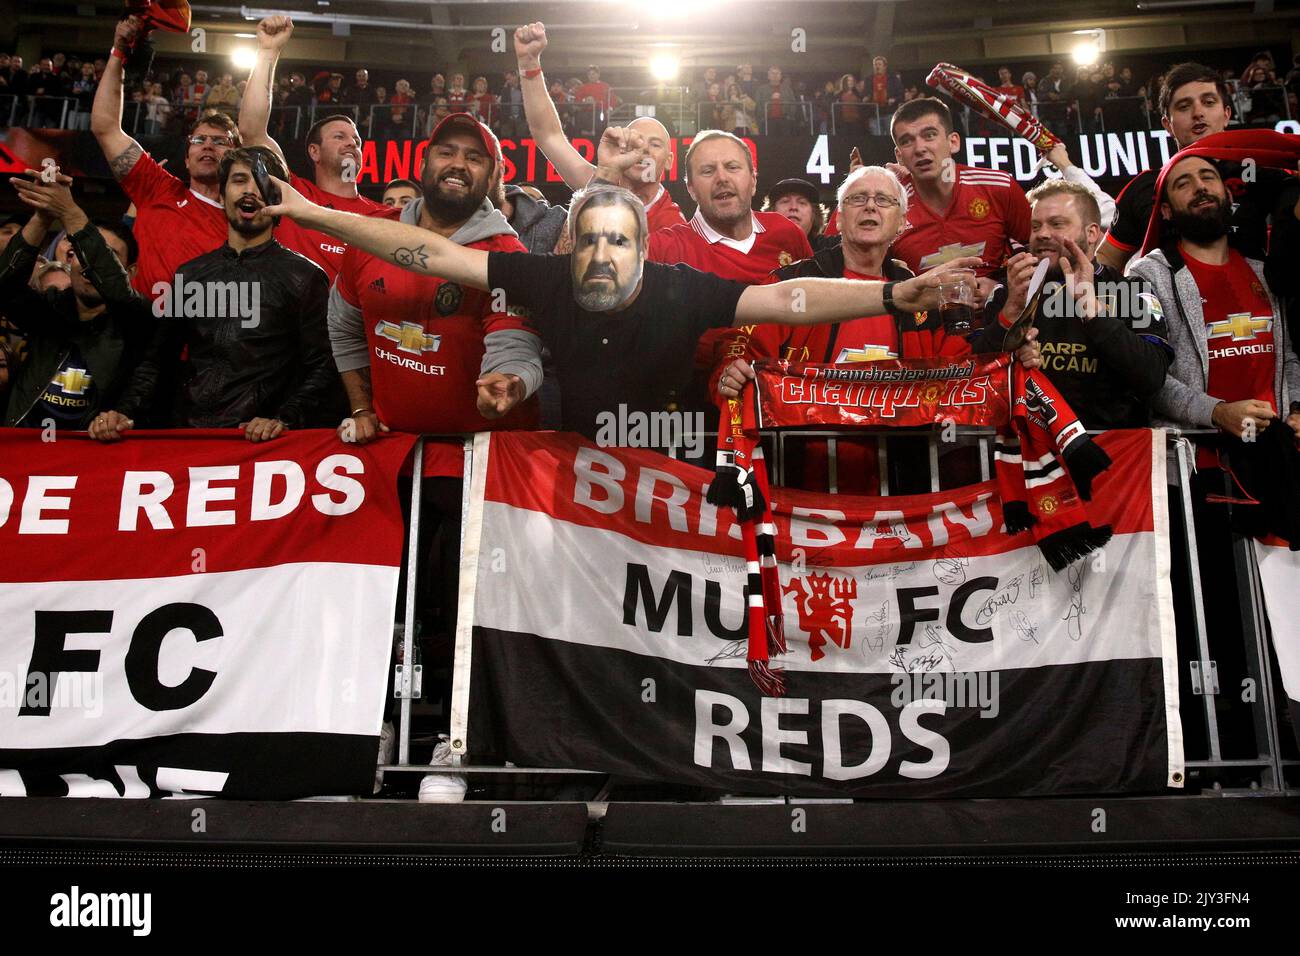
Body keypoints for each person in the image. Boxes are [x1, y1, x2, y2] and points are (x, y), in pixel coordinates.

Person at [259, 125, 984, 445]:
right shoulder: (545, 278)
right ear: (571, 246)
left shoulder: (681, 285)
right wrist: (309, 211)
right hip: (578, 471)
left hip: (672, 470)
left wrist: (894, 297)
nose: (603, 253)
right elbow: (423, 251)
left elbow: (791, 296)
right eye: (592, 238)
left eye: (621, 239)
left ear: (644, 249)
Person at [92, 147, 339, 441]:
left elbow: (324, 365)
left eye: (262, 183)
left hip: (259, 449)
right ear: (221, 196)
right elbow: (159, 359)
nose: (250, 191)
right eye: (238, 180)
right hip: (188, 440)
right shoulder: (191, 274)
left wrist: (284, 419)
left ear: (279, 199)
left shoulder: (305, 277)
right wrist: (125, 412)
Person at [327, 112, 537, 441]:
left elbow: (515, 345)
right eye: (446, 152)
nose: (458, 164)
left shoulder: (506, 257)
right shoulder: (373, 235)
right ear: (423, 162)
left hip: (485, 456)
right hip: (394, 448)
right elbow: (343, 328)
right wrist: (361, 408)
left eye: (474, 158)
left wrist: (508, 379)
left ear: (493, 175)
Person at [1128, 155, 1300, 439]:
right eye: (1184, 183)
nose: (1200, 187)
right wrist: (1217, 412)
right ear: (1167, 211)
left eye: (1208, 177)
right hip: (1198, 460)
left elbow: (1288, 356)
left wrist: (1295, 407)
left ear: (1228, 194)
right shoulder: (1146, 276)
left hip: (1275, 452)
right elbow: (1146, 376)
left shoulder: (1264, 269)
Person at [995, 179, 1171, 428]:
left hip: (1117, 452)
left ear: (1091, 233)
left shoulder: (1132, 290)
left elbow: (1152, 378)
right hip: (1032, 453)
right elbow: (978, 380)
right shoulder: (1009, 291)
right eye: (1035, 226)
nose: (1042, 233)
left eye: (1056, 224)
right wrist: (1010, 350)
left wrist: (1092, 310)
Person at [92, 16, 235, 298]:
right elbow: (105, 126)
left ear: (236, 155)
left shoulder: (248, 217)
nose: (208, 146)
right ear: (186, 158)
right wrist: (119, 51)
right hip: (145, 335)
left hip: (210, 339)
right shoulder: (157, 187)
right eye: (199, 140)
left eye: (220, 141)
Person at [239, 15, 385, 282]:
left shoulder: (381, 215)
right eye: (339, 137)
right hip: (292, 322)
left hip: (353, 324)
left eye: (356, 140)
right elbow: (251, 131)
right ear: (314, 152)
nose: (352, 142)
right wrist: (268, 52)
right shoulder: (292, 194)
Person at [0, 169, 150, 430]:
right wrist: (42, 216)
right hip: (23, 453)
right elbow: (4, 288)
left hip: (89, 460)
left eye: (110, 255)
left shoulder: (137, 319)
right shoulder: (48, 309)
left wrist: (70, 212)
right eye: (80, 254)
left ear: (130, 271)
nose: (88, 266)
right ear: (69, 260)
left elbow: (115, 288)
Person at [514, 22, 685, 233]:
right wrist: (529, 65)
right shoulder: (599, 182)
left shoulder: (675, 226)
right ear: (624, 146)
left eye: (655, 144)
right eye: (637, 140)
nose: (645, 149)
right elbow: (548, 135)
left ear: (669, 160)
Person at [1099, 62, 1244, 271]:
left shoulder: (1261, 175)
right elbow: (1107, 260)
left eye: (1209, 102)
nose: (1198, 113)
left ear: (1227, 114)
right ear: (1167, 124)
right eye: (1184, 106)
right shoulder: (1145, 188)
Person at [887, 97, 1031, 281]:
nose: (919, 148)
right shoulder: (890, 207)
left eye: (929, 135)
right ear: (899, 156)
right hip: (920, 310)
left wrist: (999, 286)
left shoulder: (1001, 187)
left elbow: (1034, 253)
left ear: (953, 142)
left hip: (1003, 308)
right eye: (907, 141)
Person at [761, 178, 834, 253]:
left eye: (802, 202)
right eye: (785, 201)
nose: (793, 207)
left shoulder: (831, 248)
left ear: (814, 215)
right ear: (771, 211)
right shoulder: (756, 248)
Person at [754, 66, 796, 136]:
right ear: (768, 76)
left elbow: (793, 103)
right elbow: (757, 104)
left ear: (780, 76)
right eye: (772, 73)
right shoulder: (761, 89)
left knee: (785, 143)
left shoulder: (787, 89)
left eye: (777, 73)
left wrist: (790, 116)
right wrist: (762, 117)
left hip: (784, 120)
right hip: (767, 121)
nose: (775, 75)